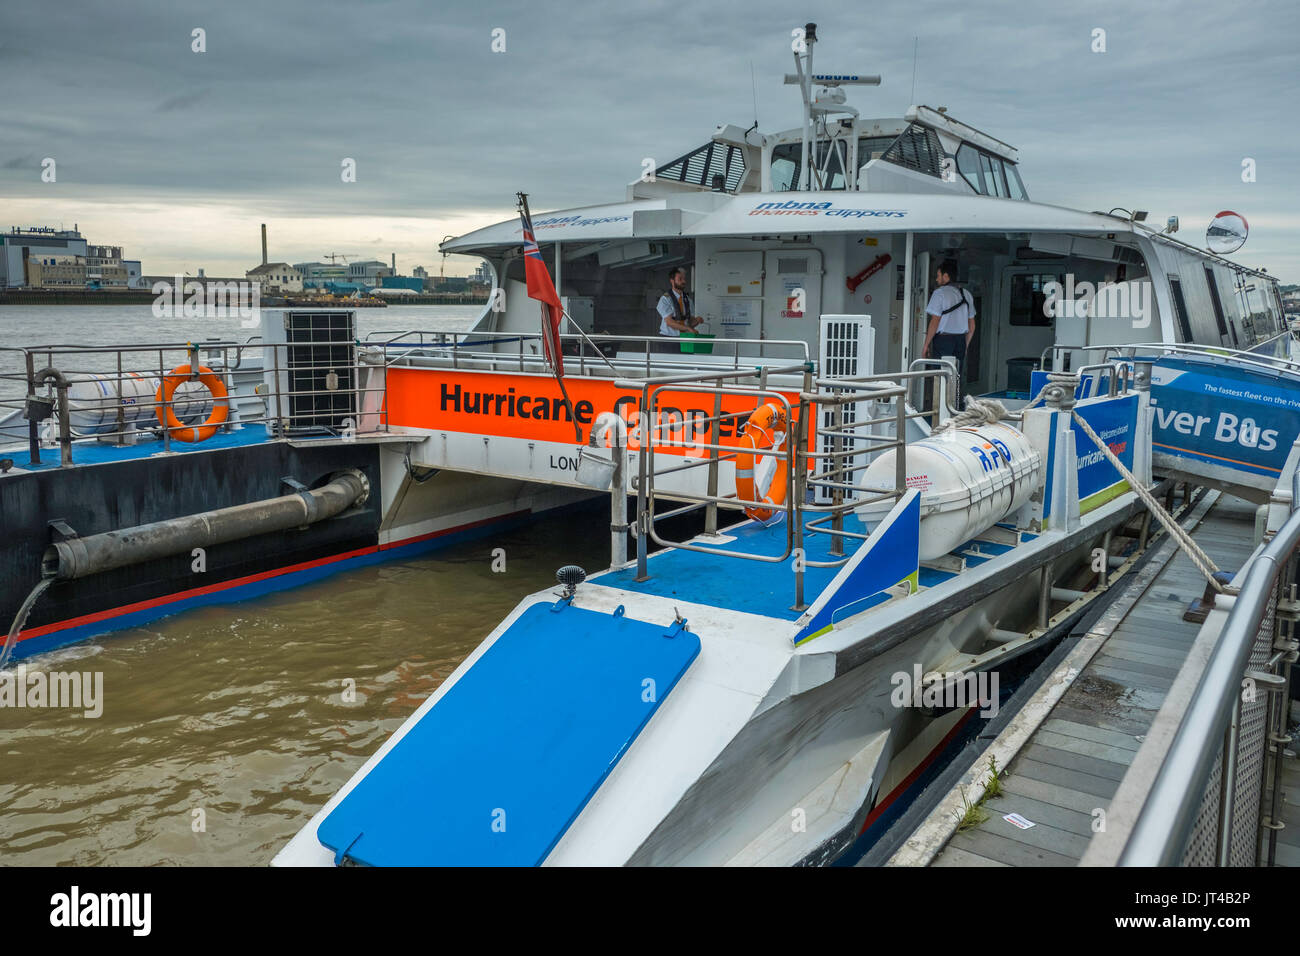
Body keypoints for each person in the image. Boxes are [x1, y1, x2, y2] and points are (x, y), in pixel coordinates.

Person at [921, 259, 976, 382]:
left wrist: (926, 345)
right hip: (960, 340)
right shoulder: (966, 294)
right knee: (956, 378)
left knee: (941, 377)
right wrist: (966, 345)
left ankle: (941, 401)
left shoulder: (939, 293)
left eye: (938, 275)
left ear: (946, 276)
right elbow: (972, 325)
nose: (936, 279)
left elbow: (934, 322)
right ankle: (954, 401)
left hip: (943, 341)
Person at [655, 266, 702, 352]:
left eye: (684, 279)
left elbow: (689, 323)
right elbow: (670, 322)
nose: (683, 281)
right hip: (668, 340)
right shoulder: (665, 299)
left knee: (686, 364)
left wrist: (697, 320)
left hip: (685, 339)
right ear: (672, 281)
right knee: (669, 365)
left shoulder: (688, 300)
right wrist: (688, 329)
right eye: (680, 279)